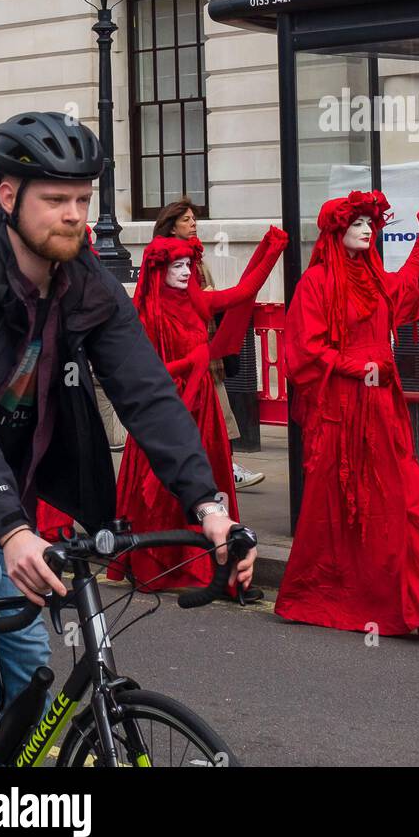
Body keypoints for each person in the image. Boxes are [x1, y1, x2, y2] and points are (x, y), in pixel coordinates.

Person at [0, 112, 256, 756]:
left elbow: (147, 393)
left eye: (83, 199)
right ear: (8, 195)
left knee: (29, 676)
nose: (74, 214)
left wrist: (211, 506)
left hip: (5, 479)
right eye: (56, 199)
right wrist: (10, 529)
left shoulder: (85, 282)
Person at [274, 190, 419, 638]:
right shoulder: (317, 283)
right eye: (358, 223)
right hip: (341, 409)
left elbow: (404, 288)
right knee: (344, 506)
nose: (368, 230)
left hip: (382, 405)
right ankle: (350, 598)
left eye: (371, 223)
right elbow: (306, 351)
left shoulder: (374, 276)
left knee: (406, 497)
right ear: (337, 231)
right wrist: (357, 365)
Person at [108, 225, 286, 594]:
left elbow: (244, 292)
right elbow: (142, 372)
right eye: (178, 266)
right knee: (161, 485)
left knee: (206, 482)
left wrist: (272, 248)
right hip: (164, 407)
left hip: (202, 405)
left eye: (189, 264)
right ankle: (161, 560)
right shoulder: (144, 313)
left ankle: (210, 560)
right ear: (160, 270)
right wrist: (189, 363)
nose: (187, 272)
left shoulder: (196, 301)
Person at [152, 197, 265, 491]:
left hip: (205, 349)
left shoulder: (195, 259)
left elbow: (241, 292)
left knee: (218, 417)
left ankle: (223, 467)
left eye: (194, 219)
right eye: (187, 219)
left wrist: (271, 247)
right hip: (184, 358)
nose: (193, 224)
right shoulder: (164, 262)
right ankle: (216, 470)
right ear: (171, 225)